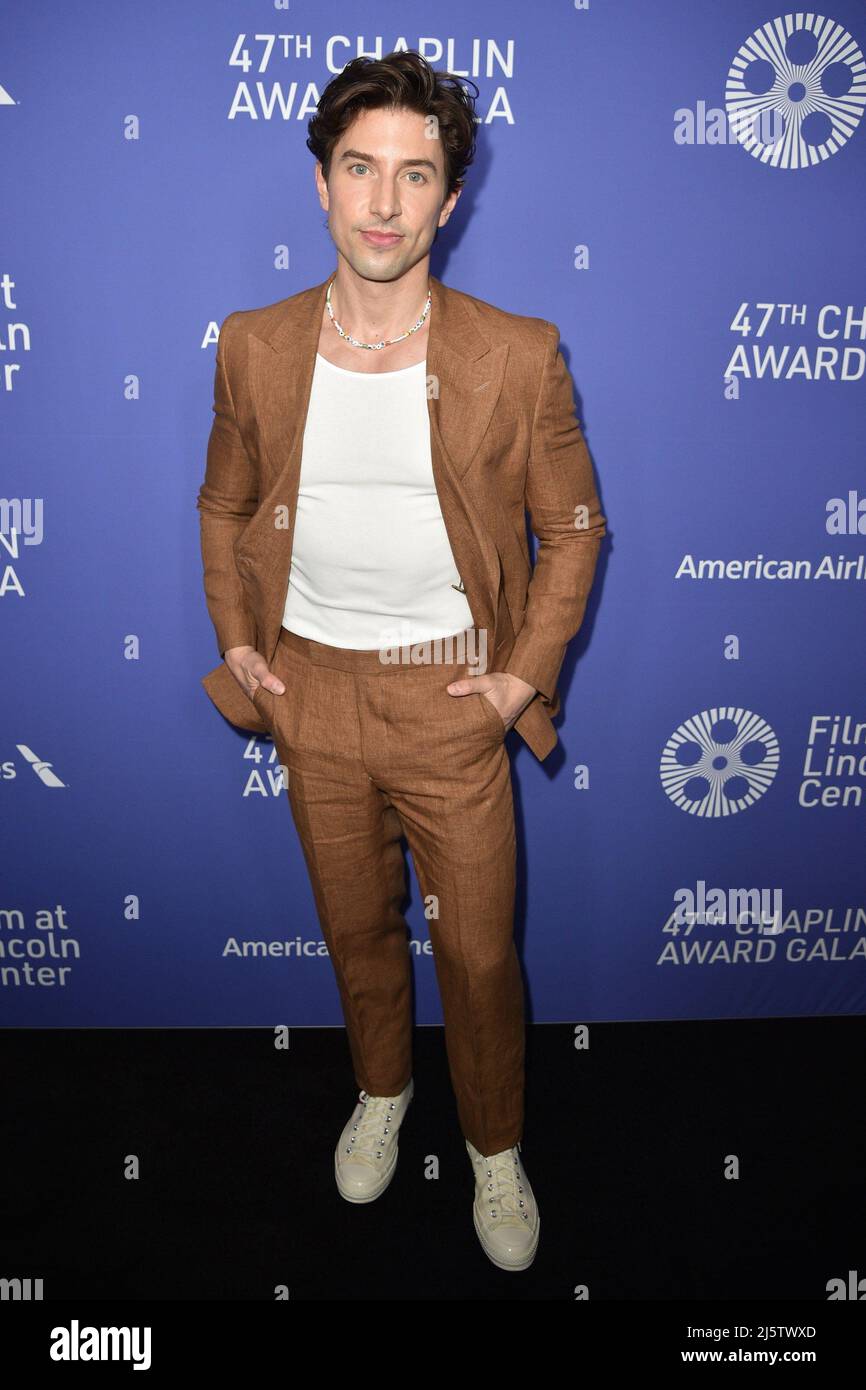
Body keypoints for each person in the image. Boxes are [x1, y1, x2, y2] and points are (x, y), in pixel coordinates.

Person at [197, 50, 605, 1273]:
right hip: (309, 694)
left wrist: (519, 678)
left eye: (413, 176)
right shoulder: (253, 345)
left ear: (449, 197)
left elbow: (574, 528)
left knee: (478, 955)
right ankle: (382, 1090)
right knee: (354, 930)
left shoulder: (517, 353)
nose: (383, 202)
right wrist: (235, 637)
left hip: (451, 702)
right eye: (358, 169)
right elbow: (222, 505)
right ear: (320, 184)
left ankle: (492, 1151)